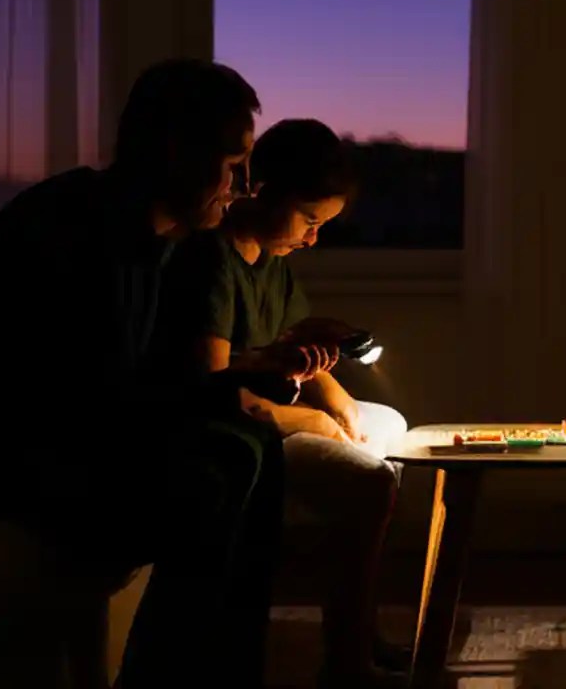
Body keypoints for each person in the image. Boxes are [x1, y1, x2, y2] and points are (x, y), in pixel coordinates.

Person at [0, 59, 346, 689]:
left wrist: (251, 373)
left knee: (248, 445)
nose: (244, 184)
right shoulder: (73, 230)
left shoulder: (157, 242)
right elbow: (84, 398)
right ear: (174, 151)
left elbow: (142, 382)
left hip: (75, 439)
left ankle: (221, 669)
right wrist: (223, 392)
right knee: (227, 459)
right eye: (232, 162)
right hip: (7, 459)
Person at [152, 118, 411, 689]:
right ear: (264, 191)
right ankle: (347, 658)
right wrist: (318, 418)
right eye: (310, 221)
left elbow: (296, 348)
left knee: (388, 424)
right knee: (372, 481)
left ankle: (361, 627)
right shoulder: (211, 262)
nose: (313, 238)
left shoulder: (273, 267)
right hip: (239, 426)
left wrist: (340, 402)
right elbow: (218, 389)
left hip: (278, 407)